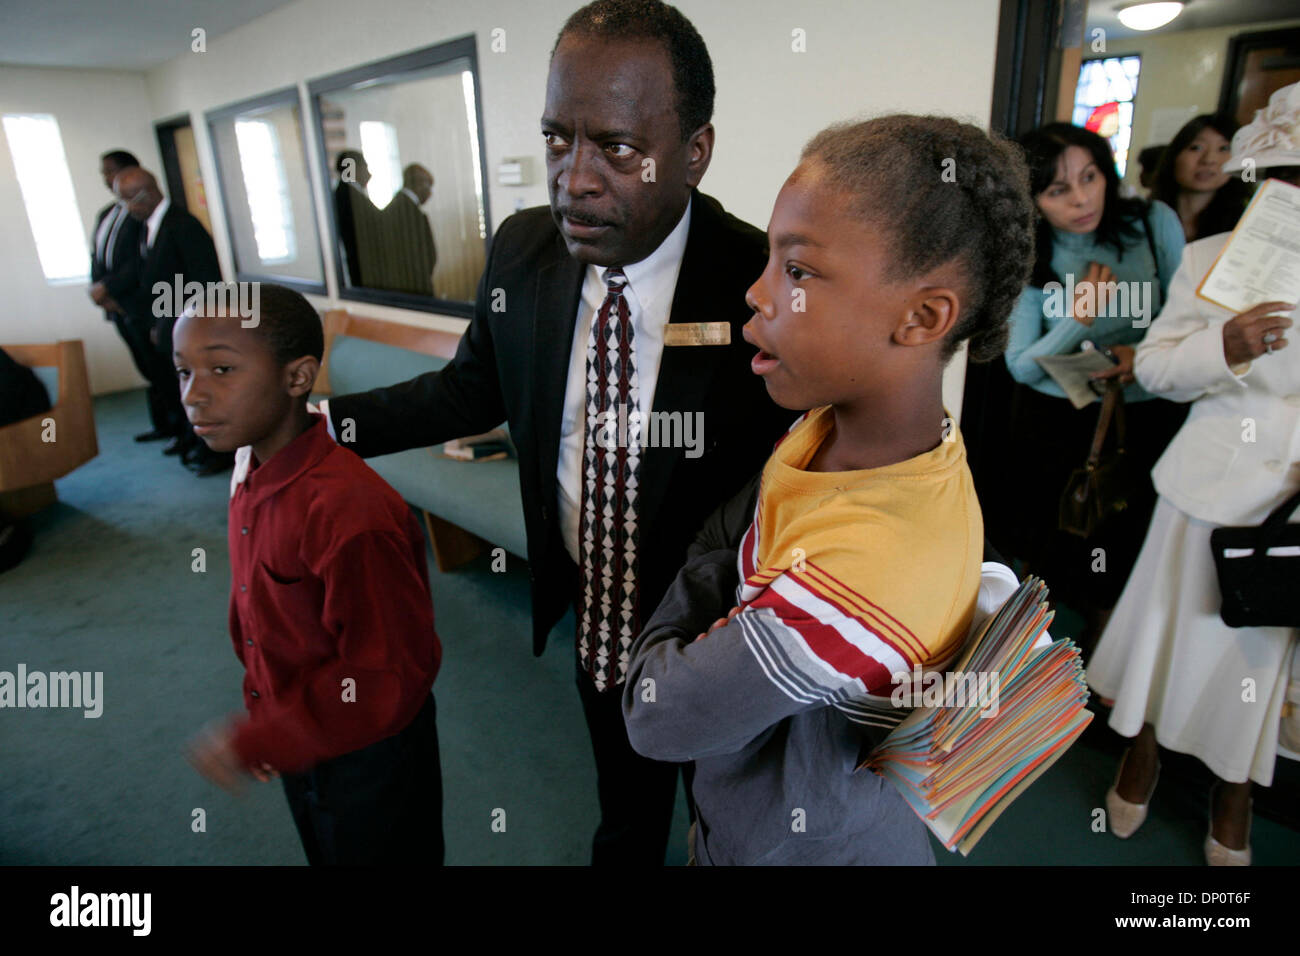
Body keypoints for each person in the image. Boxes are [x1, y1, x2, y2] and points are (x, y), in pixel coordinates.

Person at [317, 0, 796, 865]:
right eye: (556, 140)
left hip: (723, 634)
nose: (574, 177)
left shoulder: (757, 280)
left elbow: (814, 456)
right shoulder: (524, 252)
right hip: (596, 613)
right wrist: (320, 425)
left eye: (615, 147)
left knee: (735, 827)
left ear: (695, 152)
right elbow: (471, 391)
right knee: (624, 815)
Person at [622, 115, 1036, 865]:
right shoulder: (847, 432)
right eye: (771, 261)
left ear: (922, 316)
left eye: (799, 272)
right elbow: (744, 522)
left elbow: (656, 715)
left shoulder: (862, 573)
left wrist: (712, 577)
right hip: (757, 818)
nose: (757, 292)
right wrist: (737, 577)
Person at [1088, 82, 1300, 866]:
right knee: (1171, 630)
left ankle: (1235, 793)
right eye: (1287, 175)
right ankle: (1140, 749)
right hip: (1207, 485)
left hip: (1292, 503)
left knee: (1258, 656)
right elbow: (1159, 369)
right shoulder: (1212, 260)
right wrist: (1231, 346)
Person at [180, 283, 444, 865]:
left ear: (298, 378)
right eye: (183, 373)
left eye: (221, 369)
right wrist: (271, 717)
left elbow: (386, 675)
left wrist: (261, 737)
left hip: (370, 756)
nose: (194, 396)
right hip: (303, 734)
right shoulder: (251, 468)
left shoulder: (350, 513)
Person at [999, 123, 1186, 653]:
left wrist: (1142, 356)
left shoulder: (1153, 223)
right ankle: (1039, 659)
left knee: (1128, 538)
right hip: (1058, 421)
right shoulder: (1029, 247)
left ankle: (1108, 658)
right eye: (1058, 190)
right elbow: (1022, 366)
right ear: (1034, 198)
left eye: (1091, 177)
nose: (1082, 199)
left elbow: (1188, 317)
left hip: (1145, 411)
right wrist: (1078, 319)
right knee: (1052, 542)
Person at [112, 166, 233, 476]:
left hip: (189, 329)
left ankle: (218, 454)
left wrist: (186, 329)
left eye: (127, 201)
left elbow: (206, 284)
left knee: (203, 394)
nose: (124, 209)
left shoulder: (183, 226)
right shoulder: (148, 226)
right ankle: (188, 438)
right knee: (177, 391)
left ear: (146, 194)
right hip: (165, 328)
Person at [87, 150, 156, 440]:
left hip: (136, 303)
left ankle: (181, 430)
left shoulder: (141, 214)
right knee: (145, 367)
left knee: (158, 366)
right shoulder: (107, 212)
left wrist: (111, 288)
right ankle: (163, 425)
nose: (106, 178)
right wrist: (97, 287)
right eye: (103, 173)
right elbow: (98, 254)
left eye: (110, 171)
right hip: (114, 305)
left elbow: (139, 262)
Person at [1150, 114, 1251, 241]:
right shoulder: (1144, 219)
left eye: (1224, 148)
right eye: (1196, 148)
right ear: (1174, 156)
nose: (1209, 160)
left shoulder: (1245, 226)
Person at [383, 164, 437, 295]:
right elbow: (424, 258)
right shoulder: (413, 215)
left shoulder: (389, 210)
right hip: (416, 291)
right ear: (418, 184)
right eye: (429, 186)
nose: (430, 193)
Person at [332, 149, 378, 287]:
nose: (369, 173)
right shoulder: (348, 196)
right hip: (364, 268)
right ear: (353, 169)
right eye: (365, 166)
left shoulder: (350, 192)